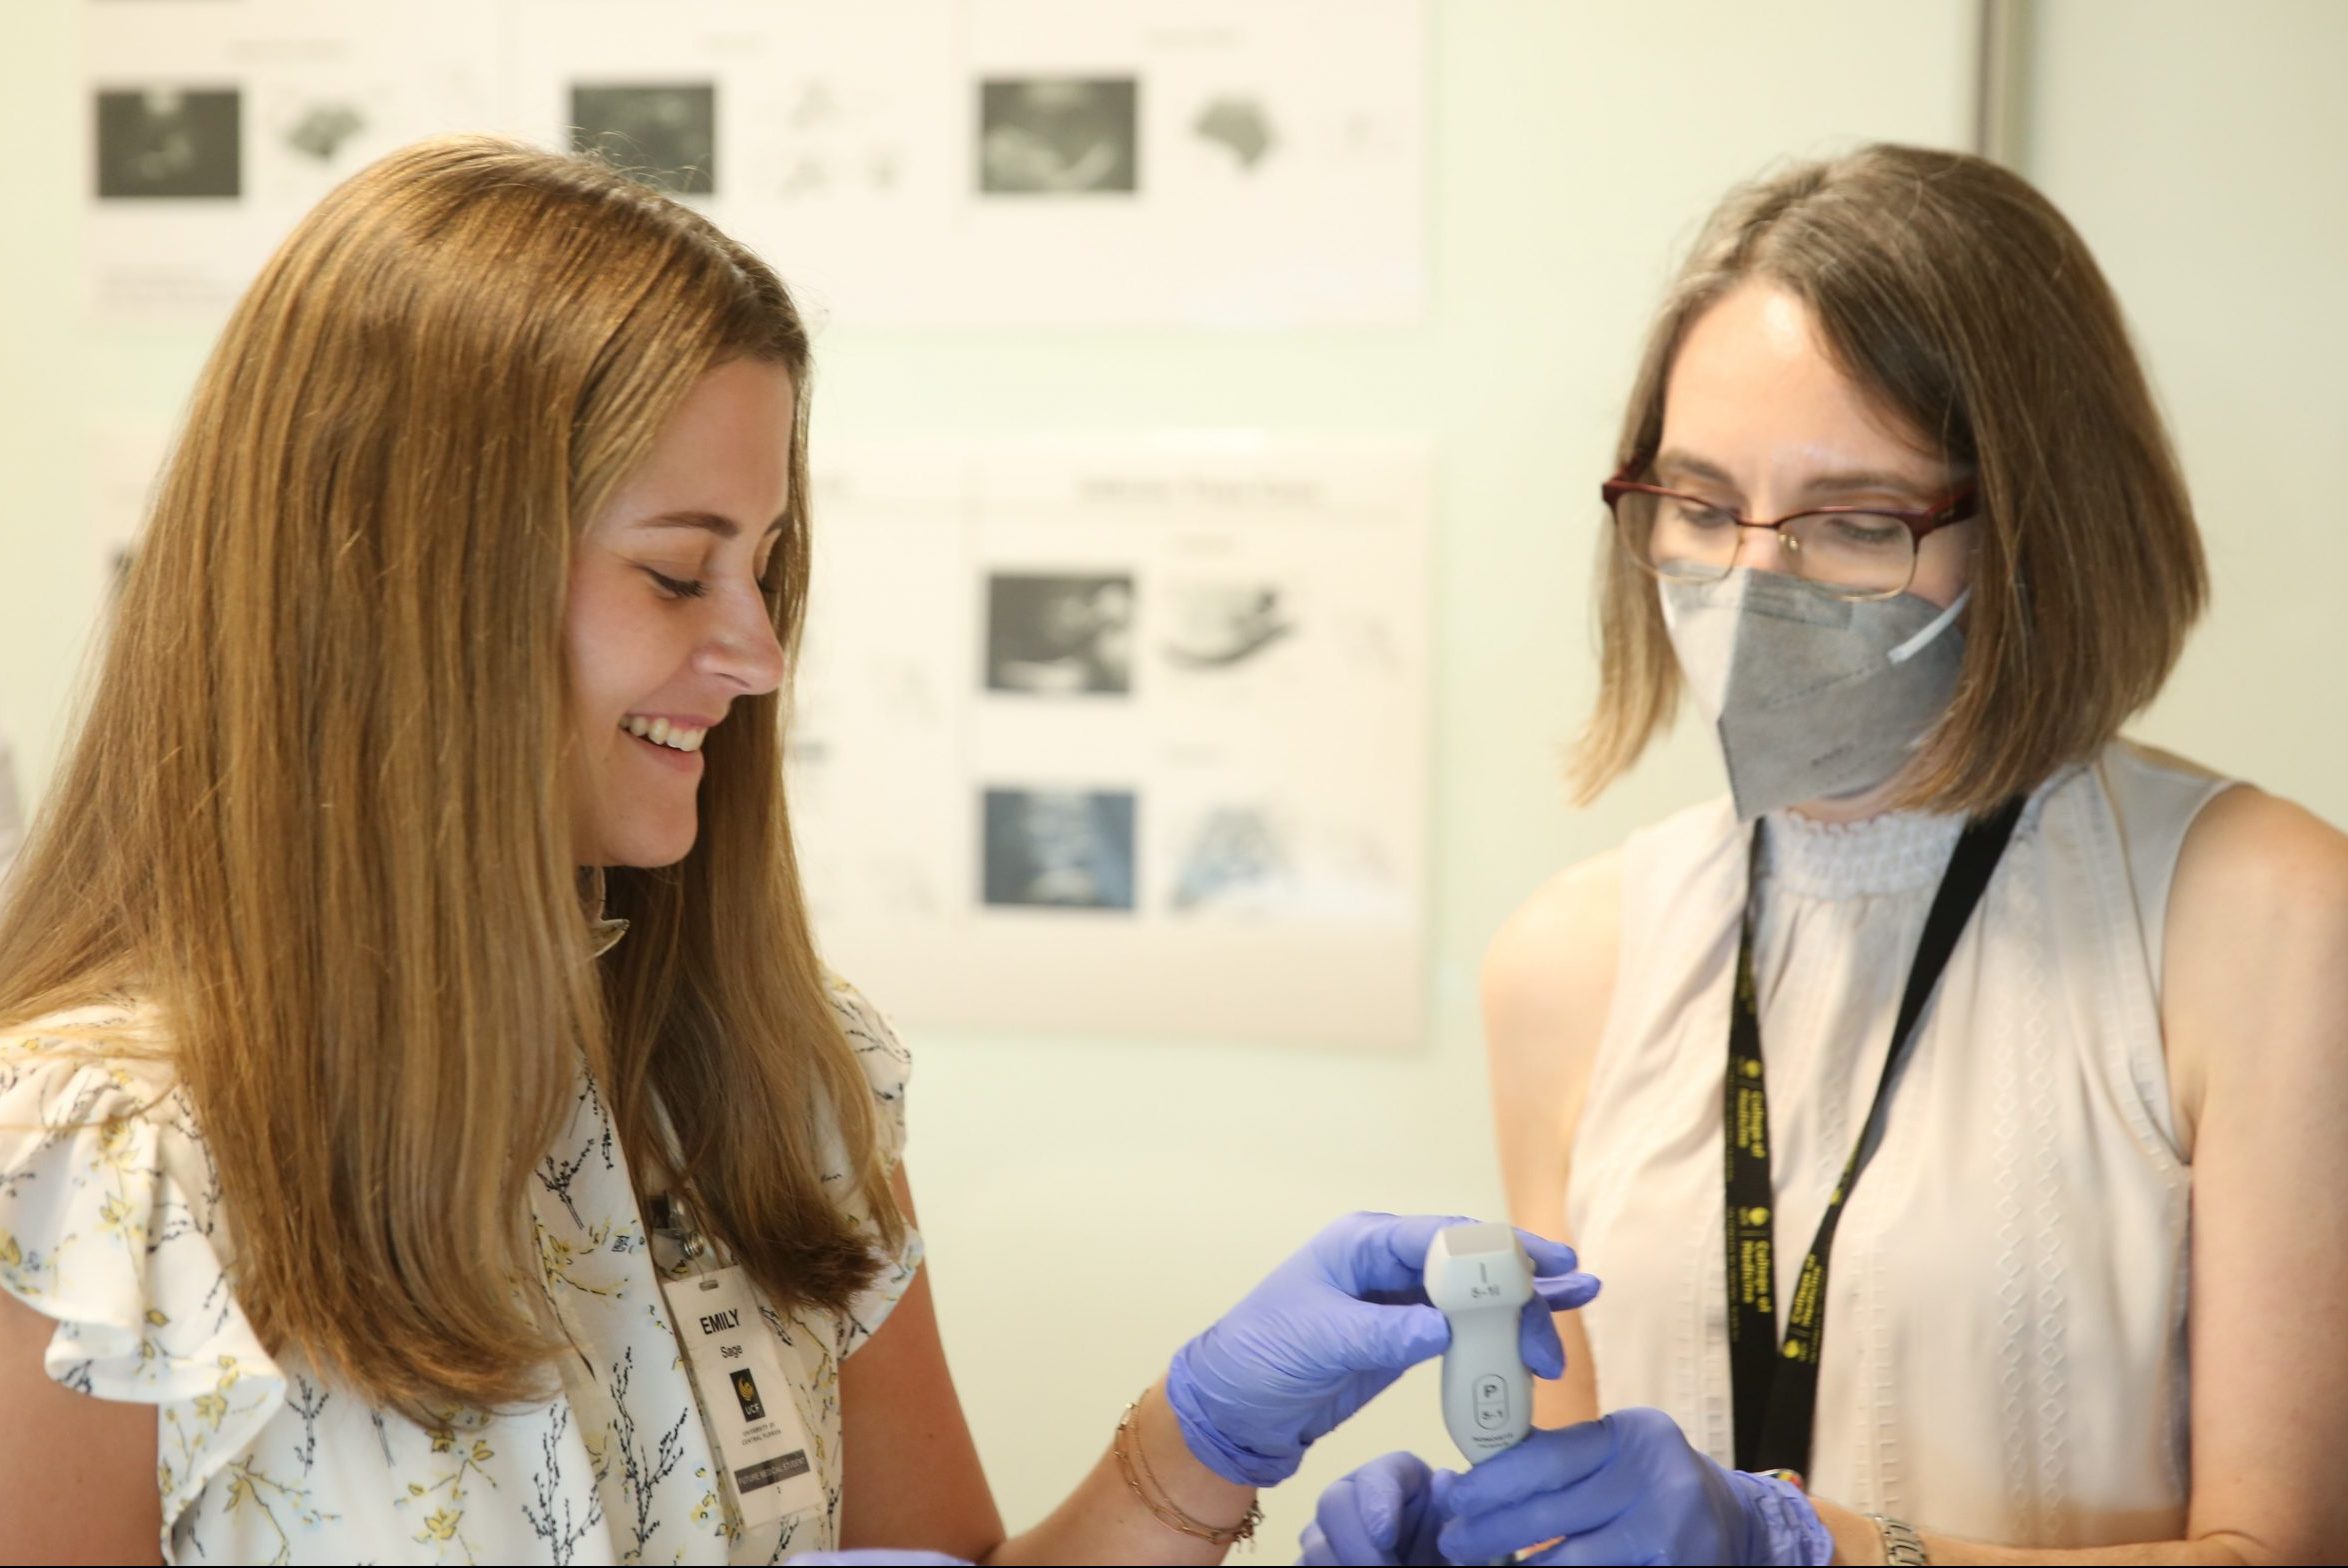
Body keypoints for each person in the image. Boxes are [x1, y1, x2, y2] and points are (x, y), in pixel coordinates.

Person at [0, 136, 1598, 1565]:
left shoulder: (766, 1077)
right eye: (680, 575)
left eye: (765, 568)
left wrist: (1194, 1447)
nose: (759, 654)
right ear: (409, 597)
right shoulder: (100, 1185)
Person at [1301, 145, 2348, 1563]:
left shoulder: (2270, 917)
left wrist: (1815, 1552)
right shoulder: (1575, 959)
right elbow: (1594, 1502)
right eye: (1699, 504)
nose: (1751, 584)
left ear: (2041, 534)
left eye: (1856, 522)